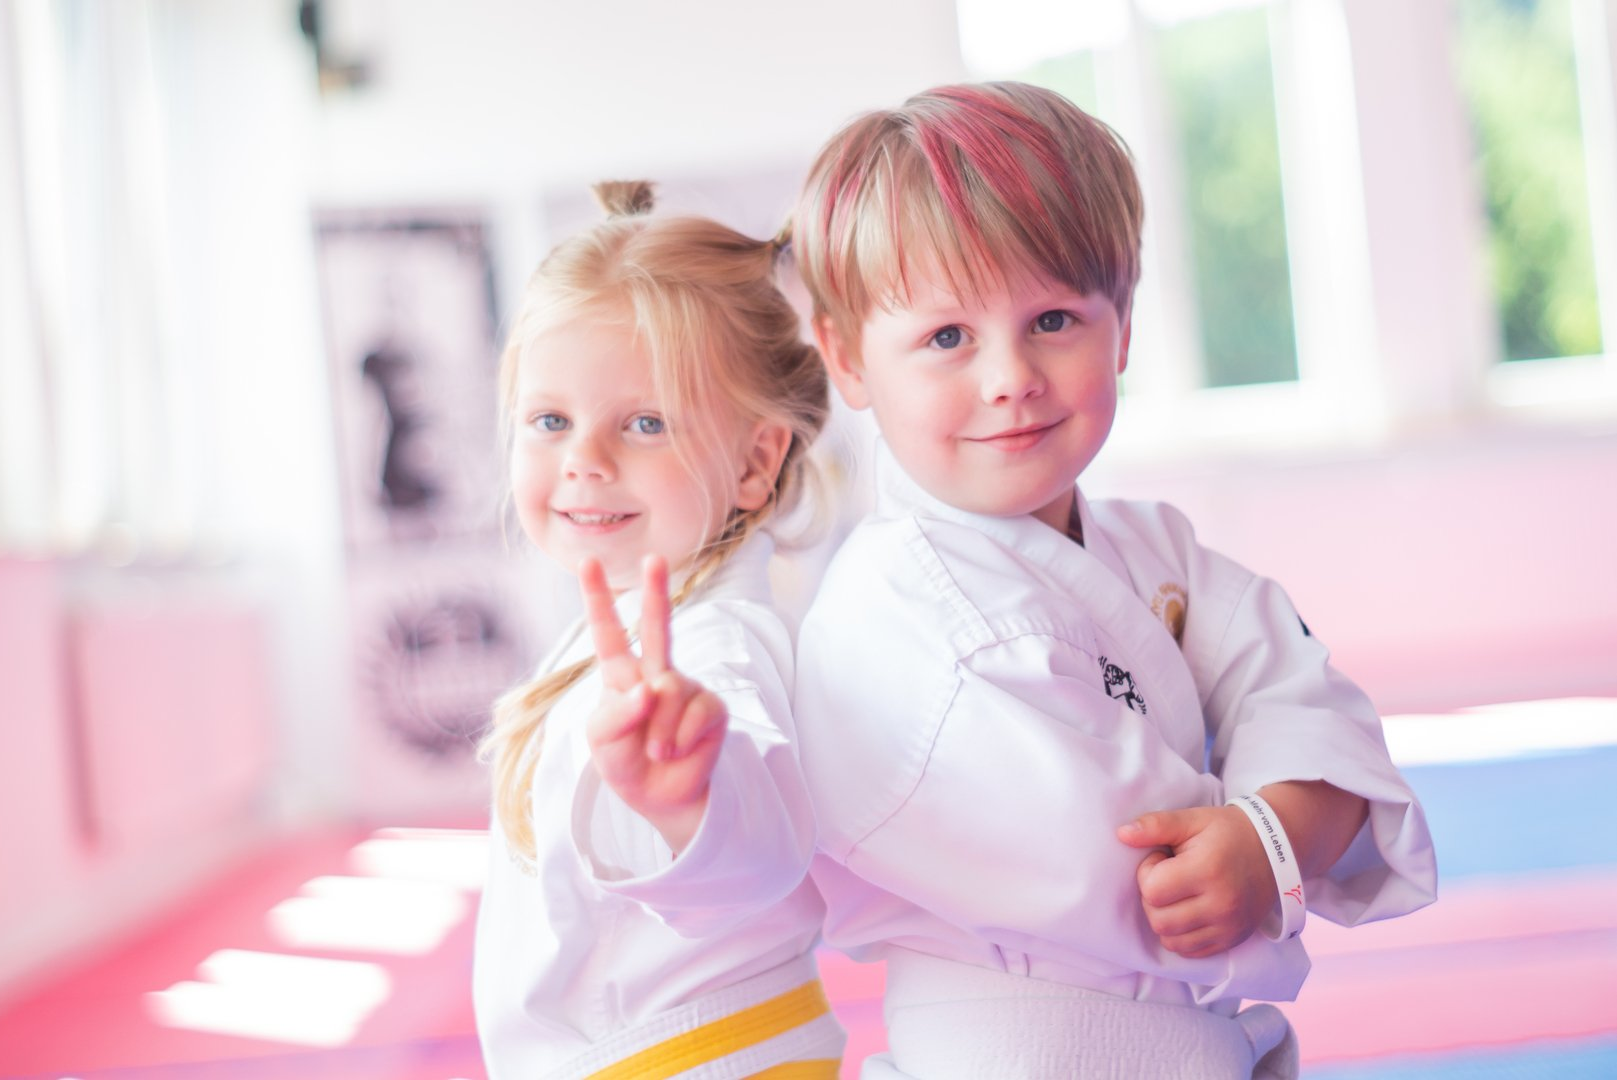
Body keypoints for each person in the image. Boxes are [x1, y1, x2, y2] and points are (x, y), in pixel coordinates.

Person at [786, 82, 1437, 1078]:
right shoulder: (892, 617)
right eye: (945, 337)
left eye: (1052, 319)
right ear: (847, 359)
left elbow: (1306, 696)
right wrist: (1264, 839)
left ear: (1121, 326)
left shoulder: (1150, 547)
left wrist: (1265, 839)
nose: (1008, 376)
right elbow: (1153, 885)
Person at [474, 180, 845, 1078]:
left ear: (758, 461)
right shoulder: (640, 626)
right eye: (549, 421)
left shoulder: (713, 646)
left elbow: (757, 850)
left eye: (645, 423)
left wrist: (690, 804)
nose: (584, 462)